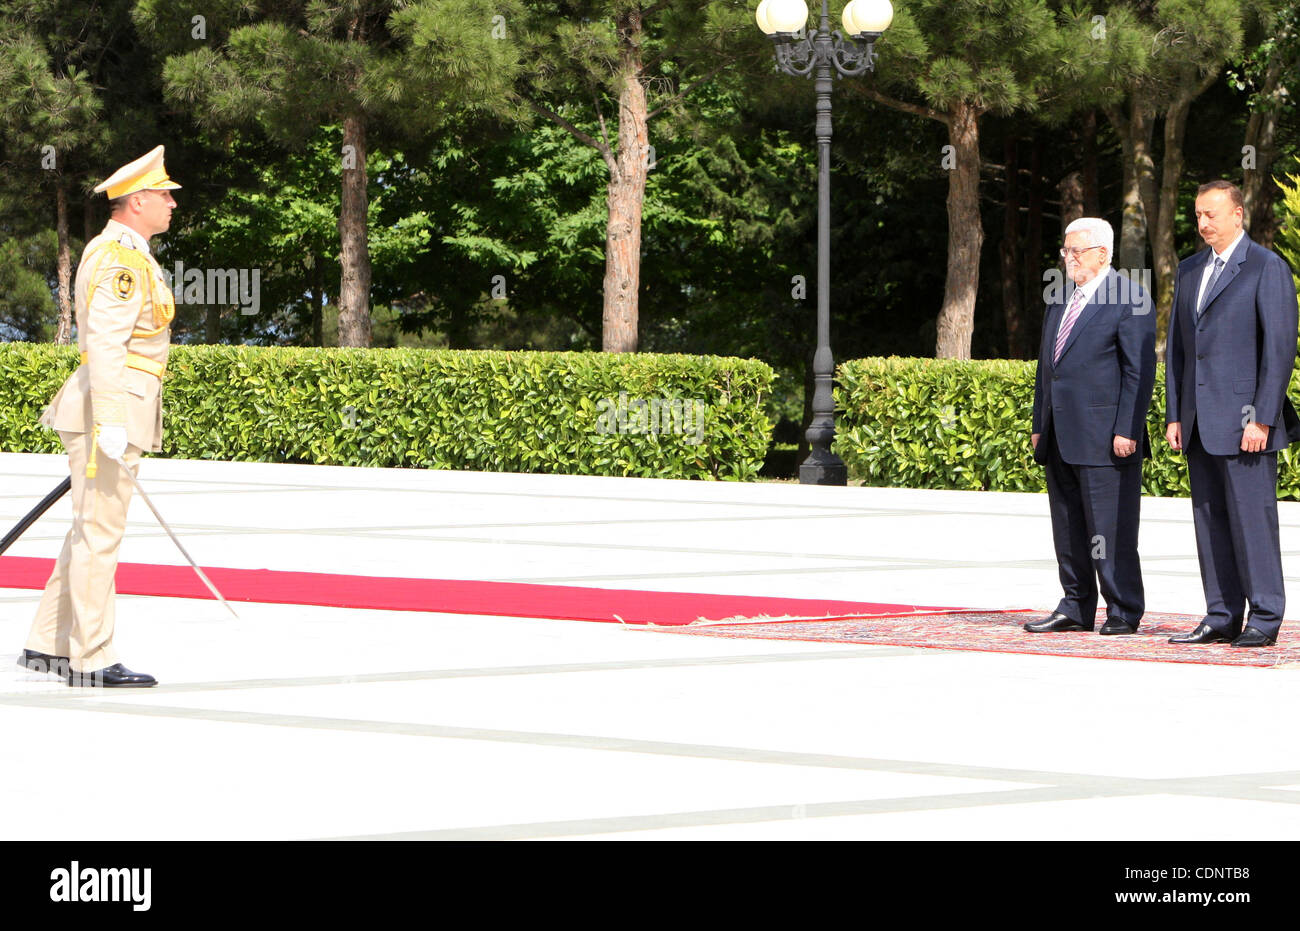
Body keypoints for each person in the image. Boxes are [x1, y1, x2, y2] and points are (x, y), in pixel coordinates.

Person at [17, 145, 180, 686]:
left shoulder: (127, 253)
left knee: (87, 530)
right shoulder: (119, 259)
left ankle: (46, 645)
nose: (171, 204)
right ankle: (92, 659)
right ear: (135, 202)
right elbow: (105, 343)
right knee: (100, 535)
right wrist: (110, 420)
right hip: (108, 408)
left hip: (110, 407)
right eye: (163, 195)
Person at [1165, 180, 1300, 648]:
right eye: (1199, 214)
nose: (1203, 223)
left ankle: (1265, 616)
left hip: (1247, 424)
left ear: (1238, 215)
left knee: (1252, 521)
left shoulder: (1266, 267)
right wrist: (1175, 415)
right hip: (1200, 423)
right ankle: (1221, 614)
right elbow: (1180, 351)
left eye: (1212, 214)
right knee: (1209, 521)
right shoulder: (1188, 270)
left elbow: (1279, 350)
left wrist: (1262, 418)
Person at [1026, 217, 1156, 636]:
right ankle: (1075, 604)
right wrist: (1038, 422)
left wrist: (1128, 430)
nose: (1067, 258)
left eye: (1075, 251)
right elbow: (1048, 369)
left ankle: (1123, 608)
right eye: (1065, 251)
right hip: (1060, 433)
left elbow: (1139, 373)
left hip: (1107, 437)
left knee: (1111, 528)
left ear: (1102, 253)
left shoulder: (1129, 298)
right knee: (1068, 525)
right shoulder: (1059, 299)